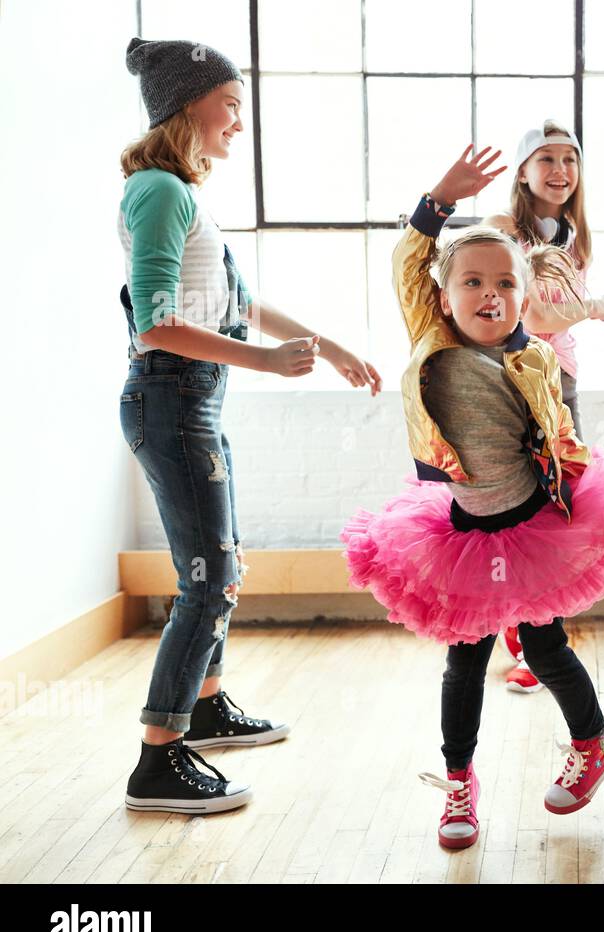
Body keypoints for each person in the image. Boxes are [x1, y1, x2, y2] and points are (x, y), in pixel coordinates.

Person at [340, 146, 604, 848]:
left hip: (531, 528)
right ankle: (459, 785)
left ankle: (594, 745)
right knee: (466, 661)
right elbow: (407, 263)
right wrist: (437, 203)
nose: (490, 295)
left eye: (506, 285)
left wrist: (577, 498)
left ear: (525, 294)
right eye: (473, 283)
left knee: (547, 650)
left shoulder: (535, 356)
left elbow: (560, 433)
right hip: (462, 534)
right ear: (446, 295)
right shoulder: (433, 338)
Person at [118, 37, 381, 814]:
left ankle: (205, 705)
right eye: (230, 104)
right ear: (186, 105)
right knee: (209, 581)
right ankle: (158, 760)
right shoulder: (162, 190)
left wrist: (325, 345)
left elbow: (237, 300)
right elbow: (156, 325)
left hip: (189, 399)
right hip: (171, 396)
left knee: (219, 568)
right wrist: (265, 363)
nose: (239, 121)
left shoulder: (178, 192)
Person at [481, 121, 604, 691]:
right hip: (512, 378)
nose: (561, 171)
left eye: (570, 159)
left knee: (562, 502)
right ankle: (516, 637)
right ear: (523, 170)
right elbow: (530, 317)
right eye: (547, 159)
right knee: (515, 505)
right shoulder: (503, 228)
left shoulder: (575, 236)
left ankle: (541, 634)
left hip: (561, 378)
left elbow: (557, 316)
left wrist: (581, 311)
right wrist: (592, 308)